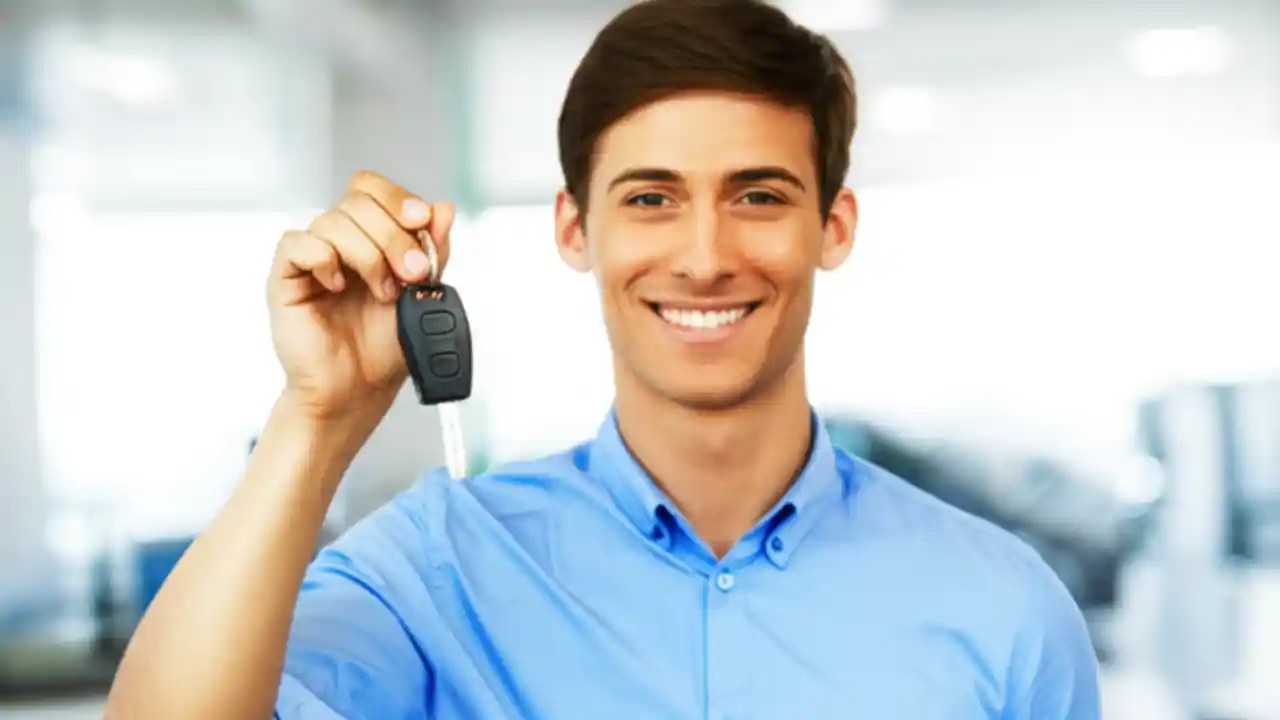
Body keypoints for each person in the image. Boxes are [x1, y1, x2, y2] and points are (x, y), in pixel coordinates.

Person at [105, 0, 1101, 717]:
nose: (705, 258)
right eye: (649, 198)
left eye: (756, 195)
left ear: (830, 226)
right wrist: (316, 417)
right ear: (573, 229)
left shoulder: (1001, 606)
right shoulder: (433, 567)